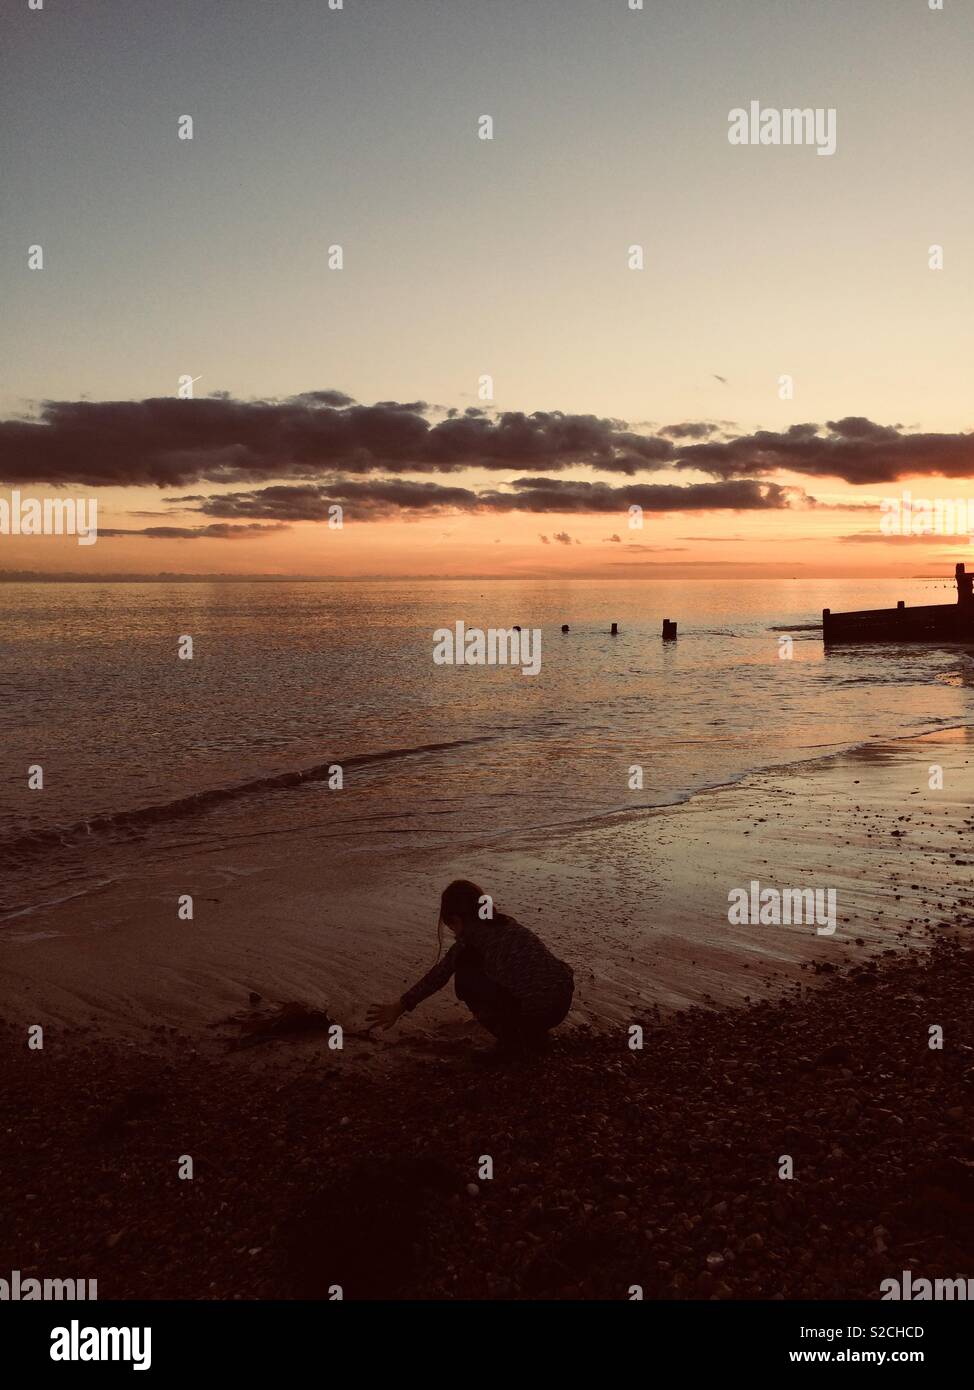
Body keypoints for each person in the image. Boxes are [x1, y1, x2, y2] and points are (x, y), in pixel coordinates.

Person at [367, 879, 574, 1050]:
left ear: (457, 920)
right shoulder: (506, 923)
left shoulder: (470, 943)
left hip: (539, 1012)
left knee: (465, 976)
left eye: (451, 927)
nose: (454, 933)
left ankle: (513, 1041)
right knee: (511, 981)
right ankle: (532, 1033)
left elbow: (439, 975)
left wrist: (400, 1006)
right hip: (562, 1000)